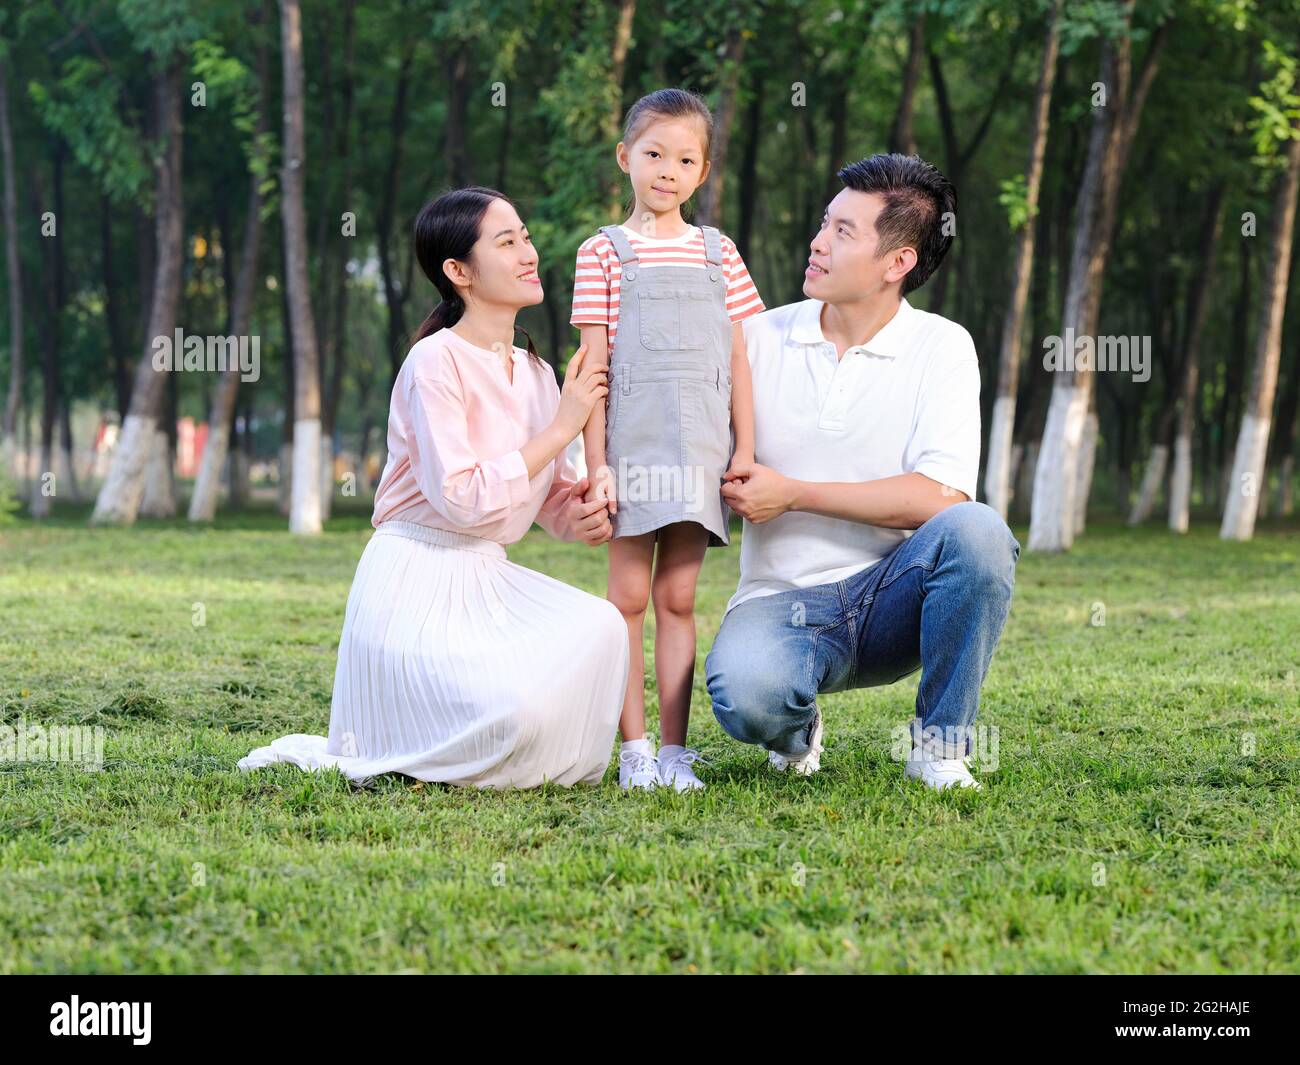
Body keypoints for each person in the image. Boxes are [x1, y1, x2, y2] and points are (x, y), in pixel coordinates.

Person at [238, 187, 628, 788]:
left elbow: (546, 495)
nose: (529, 252)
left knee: (602, 627)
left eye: (525, 236)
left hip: (487, 582)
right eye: (507, 242)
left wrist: (583, 512)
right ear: (459, 272)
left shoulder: (538, 373)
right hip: (412, 583)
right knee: (514, 713)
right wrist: (561, 427)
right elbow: (463, 498)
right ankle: (420, 737)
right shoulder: (433, 363)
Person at [707, 153, 1021, 792]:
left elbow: (941, 495)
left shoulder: (942, 347)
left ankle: (938, 750)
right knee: (748, 693)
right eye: (826, 223)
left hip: (892, 597)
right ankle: (797, 729)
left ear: (897, 262)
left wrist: (794, 494)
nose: (817, 243)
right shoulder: (755, 338)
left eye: (843, 232)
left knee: (978, 531)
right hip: (779, 598)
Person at [570, 88, 765, 792]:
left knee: (677, 598)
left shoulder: (720, 254)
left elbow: (742, 359)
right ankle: (635, 750)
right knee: (626, 597)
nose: (667, 170)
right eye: (653, 154)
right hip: (631, 455)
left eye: (685, 159)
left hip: (702, 456)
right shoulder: (603, 255)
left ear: (703, 172)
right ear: (625, 158)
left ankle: (677, 750)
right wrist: (597, 467)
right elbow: (593, 369)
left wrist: (745, 449)